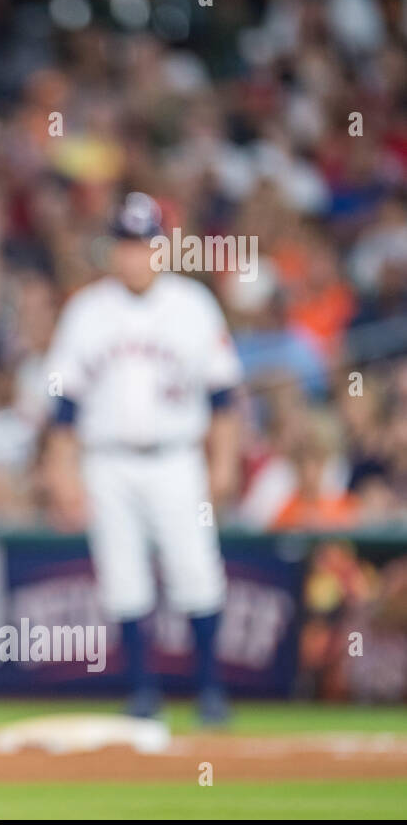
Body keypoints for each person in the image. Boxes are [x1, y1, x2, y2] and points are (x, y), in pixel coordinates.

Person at [44, 193, 243, 724]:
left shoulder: (194, 305)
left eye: (145, 244)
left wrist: (223, 464)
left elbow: (224, 397)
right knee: (122, 576)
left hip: (178, 458)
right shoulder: (86, 309)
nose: (136, 255)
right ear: (115, 250)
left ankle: (210, 691)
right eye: (128, 245)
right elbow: (64, 405)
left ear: (162, 247)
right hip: (106, 460)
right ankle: (143, 694)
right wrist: (61, 470)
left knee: (195, 569)